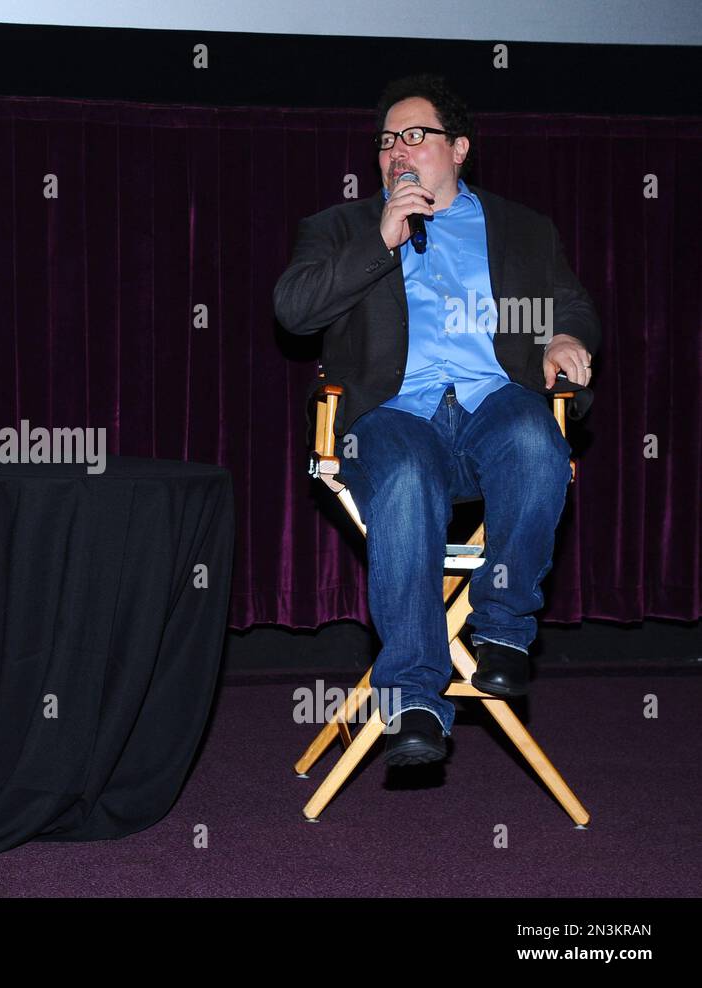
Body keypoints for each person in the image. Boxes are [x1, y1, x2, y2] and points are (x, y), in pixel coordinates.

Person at [273, 75, 600, 765]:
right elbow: (295, 311)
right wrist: (380, 242)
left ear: (458, 149)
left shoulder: (522, 228)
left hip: (492, 403)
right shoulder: (340, 228)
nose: (398, 150)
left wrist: (567, 338)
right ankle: (414, 696)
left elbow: (569, 308)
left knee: (535, 441)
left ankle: (504, 629)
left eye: (415, 136)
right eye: (387, 140)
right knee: (404, 475)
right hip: (393, 414)